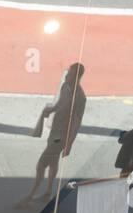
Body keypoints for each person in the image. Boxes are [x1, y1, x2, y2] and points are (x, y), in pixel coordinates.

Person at [20, 62, 86, 205]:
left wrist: (69, 144)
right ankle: (48, 192)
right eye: (68, 72)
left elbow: (76, 123)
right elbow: (59, 105)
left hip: (61, 136)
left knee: (41, 164)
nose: (67, 75)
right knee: (53, 162)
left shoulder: (80, 97)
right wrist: (50, 110)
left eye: (70, 73)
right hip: (55, 131)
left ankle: (30, 196)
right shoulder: (65, 87)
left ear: (77, 77)